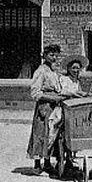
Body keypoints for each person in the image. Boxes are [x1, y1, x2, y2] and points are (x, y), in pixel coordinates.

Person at [46, 54, 91, 163]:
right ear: (69, 68)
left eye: (78, 68)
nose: (76, 70)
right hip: (64, 107)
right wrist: (76, 94)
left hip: (74, 109)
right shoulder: (63, 79)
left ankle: (72, 154)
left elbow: (80, 94)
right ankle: (52, 153)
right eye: (73, 68)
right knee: (56, 125)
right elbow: (62, 91)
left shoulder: (78, 81)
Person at [27, 44, 63, 173]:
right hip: (44, 106)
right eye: (51, 55)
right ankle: (37, 164)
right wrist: (51, 98)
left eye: (56, 55)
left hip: (54, 107)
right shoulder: (41, 71)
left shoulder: (52, 71)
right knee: (41, 133)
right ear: (45, 55)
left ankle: (47, 162)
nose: (54, 58)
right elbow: (35, 92)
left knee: (52, 133)